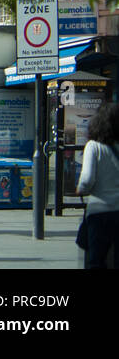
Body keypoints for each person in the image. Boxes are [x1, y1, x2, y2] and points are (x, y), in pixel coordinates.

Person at [77, 102, 119, 269]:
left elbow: (87, 179)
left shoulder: (93, 147)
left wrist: (81, 189)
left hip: (99, 212)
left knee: (97, 260)